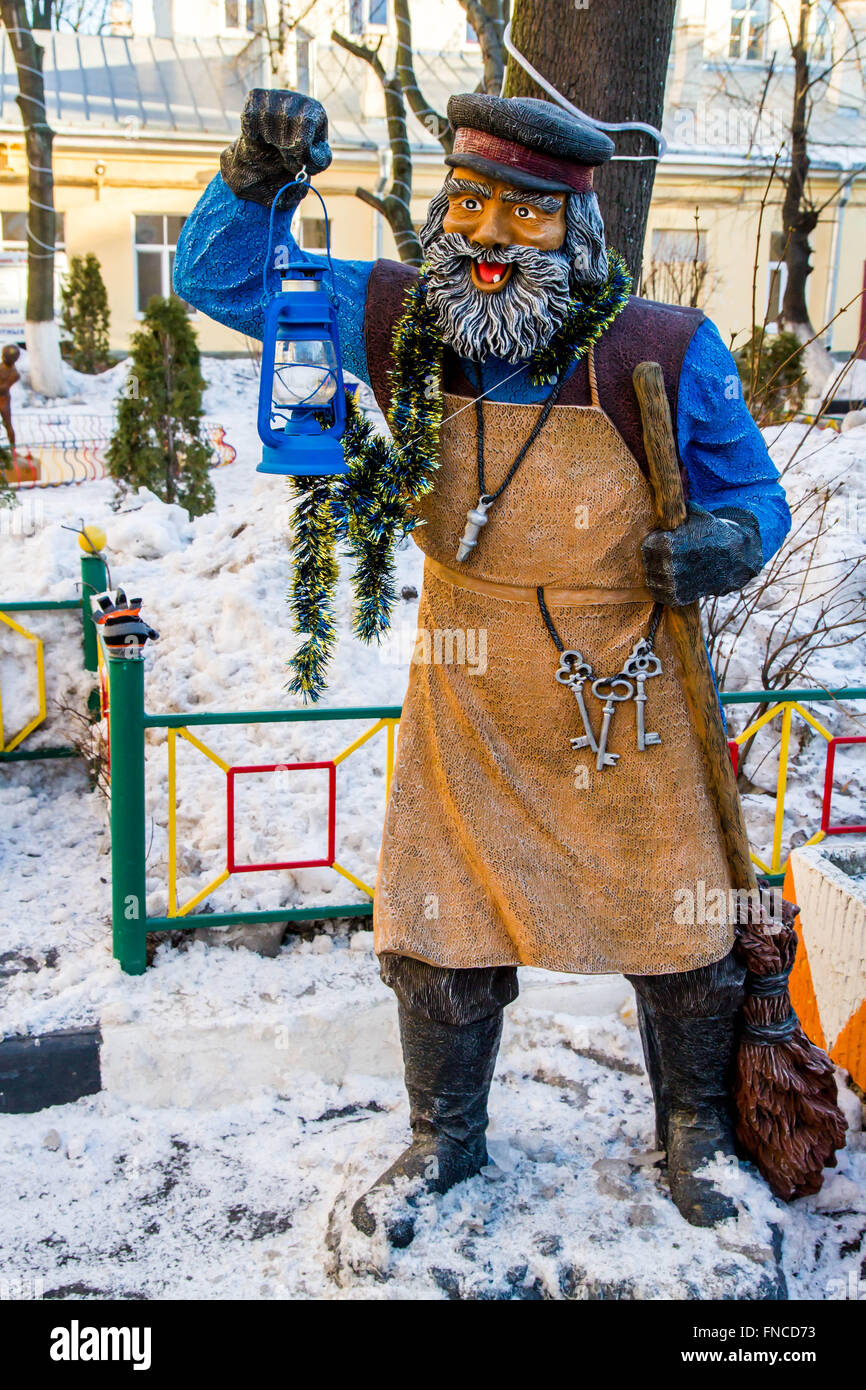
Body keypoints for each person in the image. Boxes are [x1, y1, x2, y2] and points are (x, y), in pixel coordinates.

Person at [174, 89, 792, 1244]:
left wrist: (724, 543)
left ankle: (694, 1133)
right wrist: (252, 172)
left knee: (677, 925)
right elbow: (219, 281)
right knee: (438, 921)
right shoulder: (391, 317)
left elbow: (755, 496)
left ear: (580, 228)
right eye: (467, 204)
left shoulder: (659, 347)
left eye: (523, 215)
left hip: (630, 691)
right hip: (467, 694)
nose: (488, 239)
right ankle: (443, 1136)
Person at [0, 344, 21, 451]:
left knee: (7, 424)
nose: (3, 358)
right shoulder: (1, 366)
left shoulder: (14, 373)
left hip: (3, 400)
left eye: (6, 356)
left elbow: (4, 388)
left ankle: (13, 449)